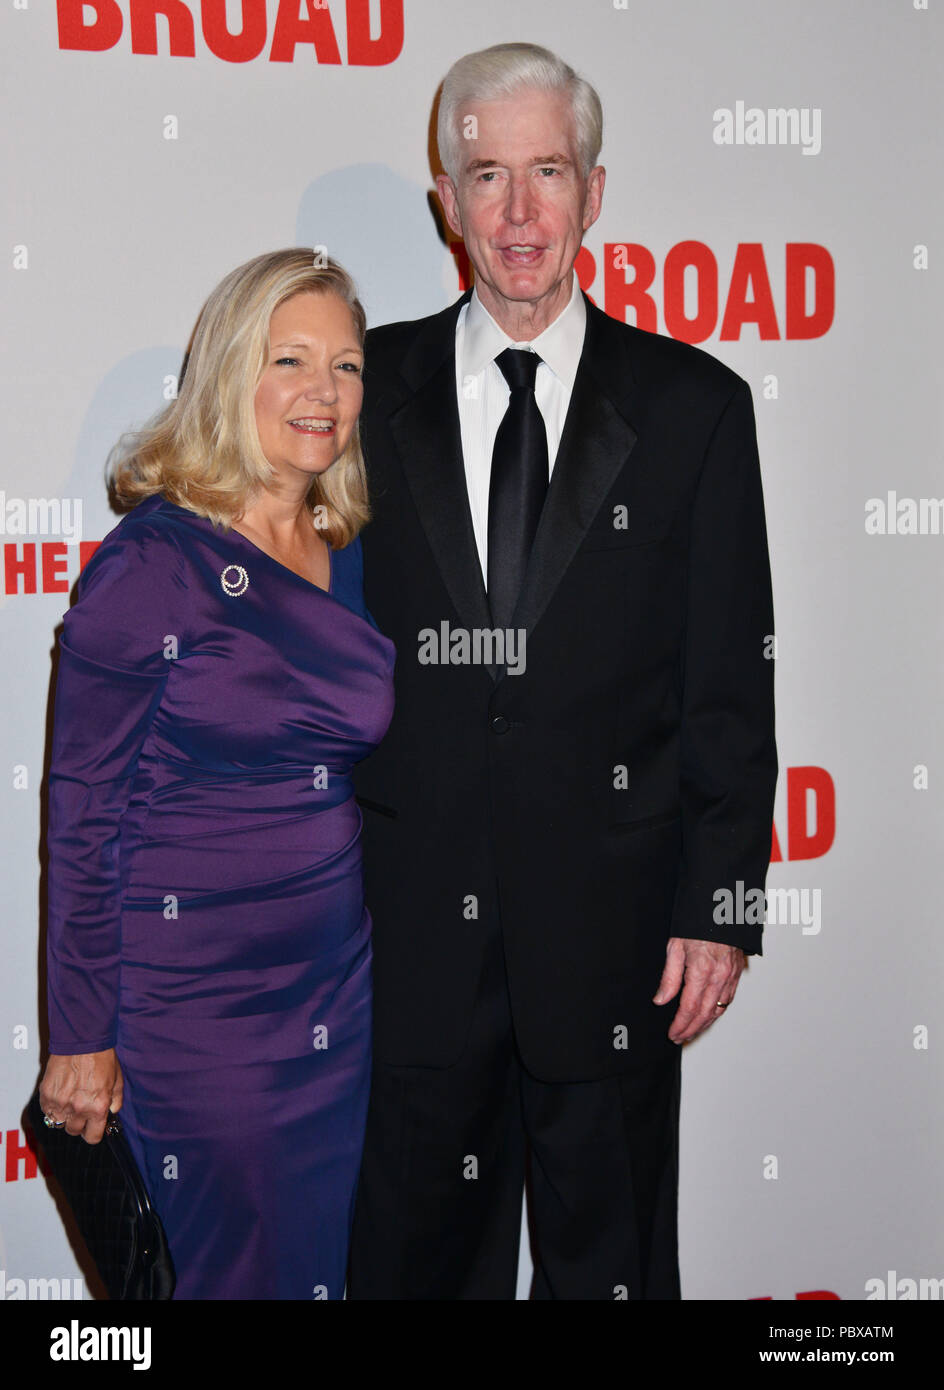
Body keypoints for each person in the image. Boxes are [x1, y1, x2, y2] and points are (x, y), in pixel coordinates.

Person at [348, 43, 777, 1300]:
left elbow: (727, 676)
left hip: (617, 936)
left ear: (596, 189)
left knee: (615, 1275)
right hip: (409, 935)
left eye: (548, 171)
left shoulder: (694, 406)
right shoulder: (363, 396)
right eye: (487, 175)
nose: (519, 212)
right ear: (444, 197)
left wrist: (723, 900)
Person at [38, 249, 395, 1300]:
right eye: (290, 360)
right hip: (194, 1010)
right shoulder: (153, 564)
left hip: (334, 990)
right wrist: (79, 1035)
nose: (323, 393)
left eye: (345, 365)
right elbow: (81, 817)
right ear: (229, 375)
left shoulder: (350, 547)